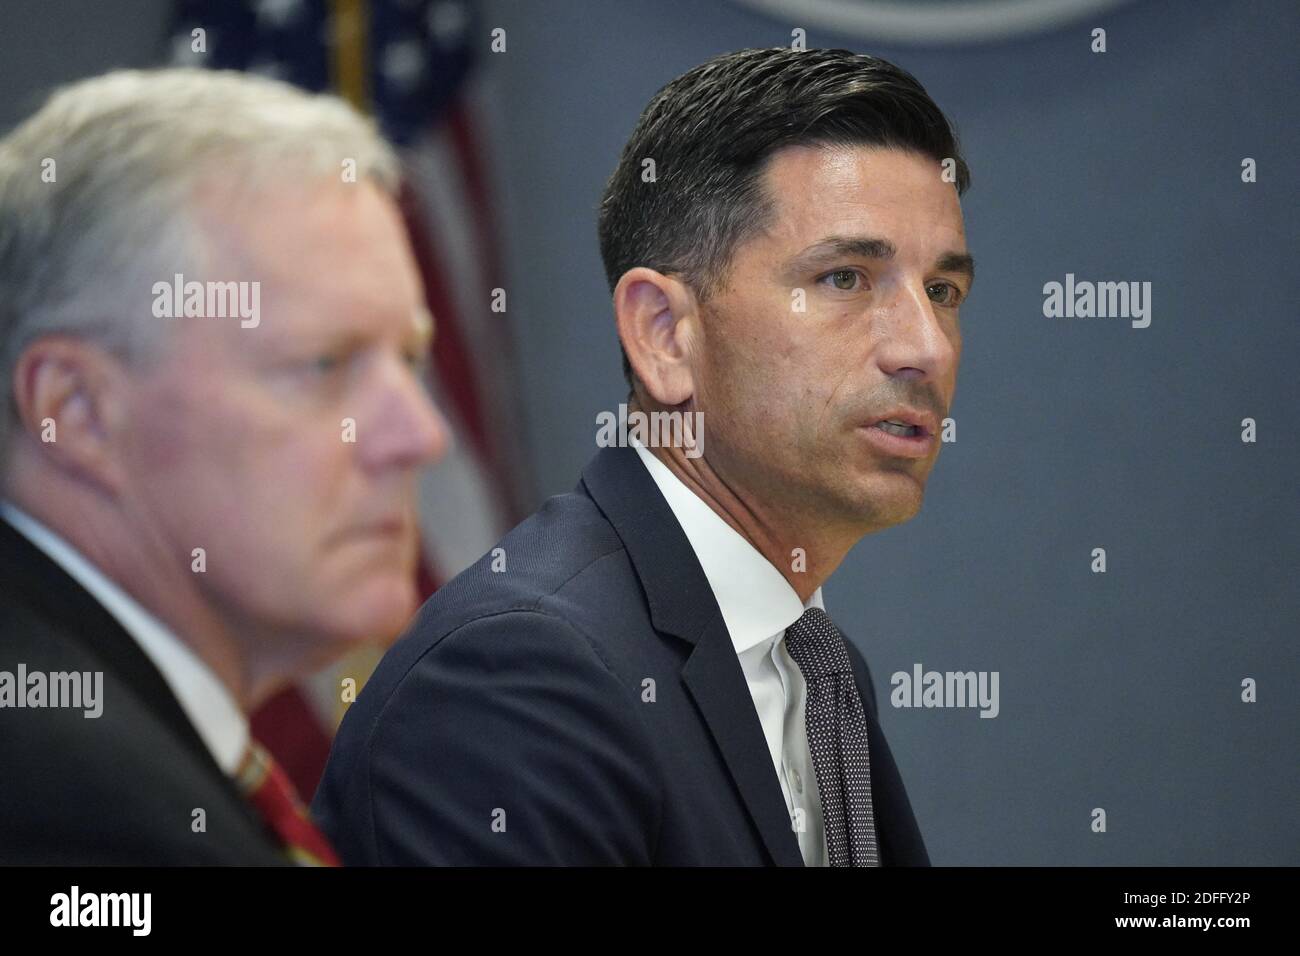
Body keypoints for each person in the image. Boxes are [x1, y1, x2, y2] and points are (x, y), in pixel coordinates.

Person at [315, 47, 973, 865]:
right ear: (664, 335)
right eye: (845, 278)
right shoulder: (518, 676)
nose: (925, 347)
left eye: (942, 292)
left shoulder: (820, 668)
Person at [0, 68, 448, 864]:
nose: (418, 435)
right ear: (78, 411)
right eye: (322, 364)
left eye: (409, 358)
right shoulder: (78, 814)